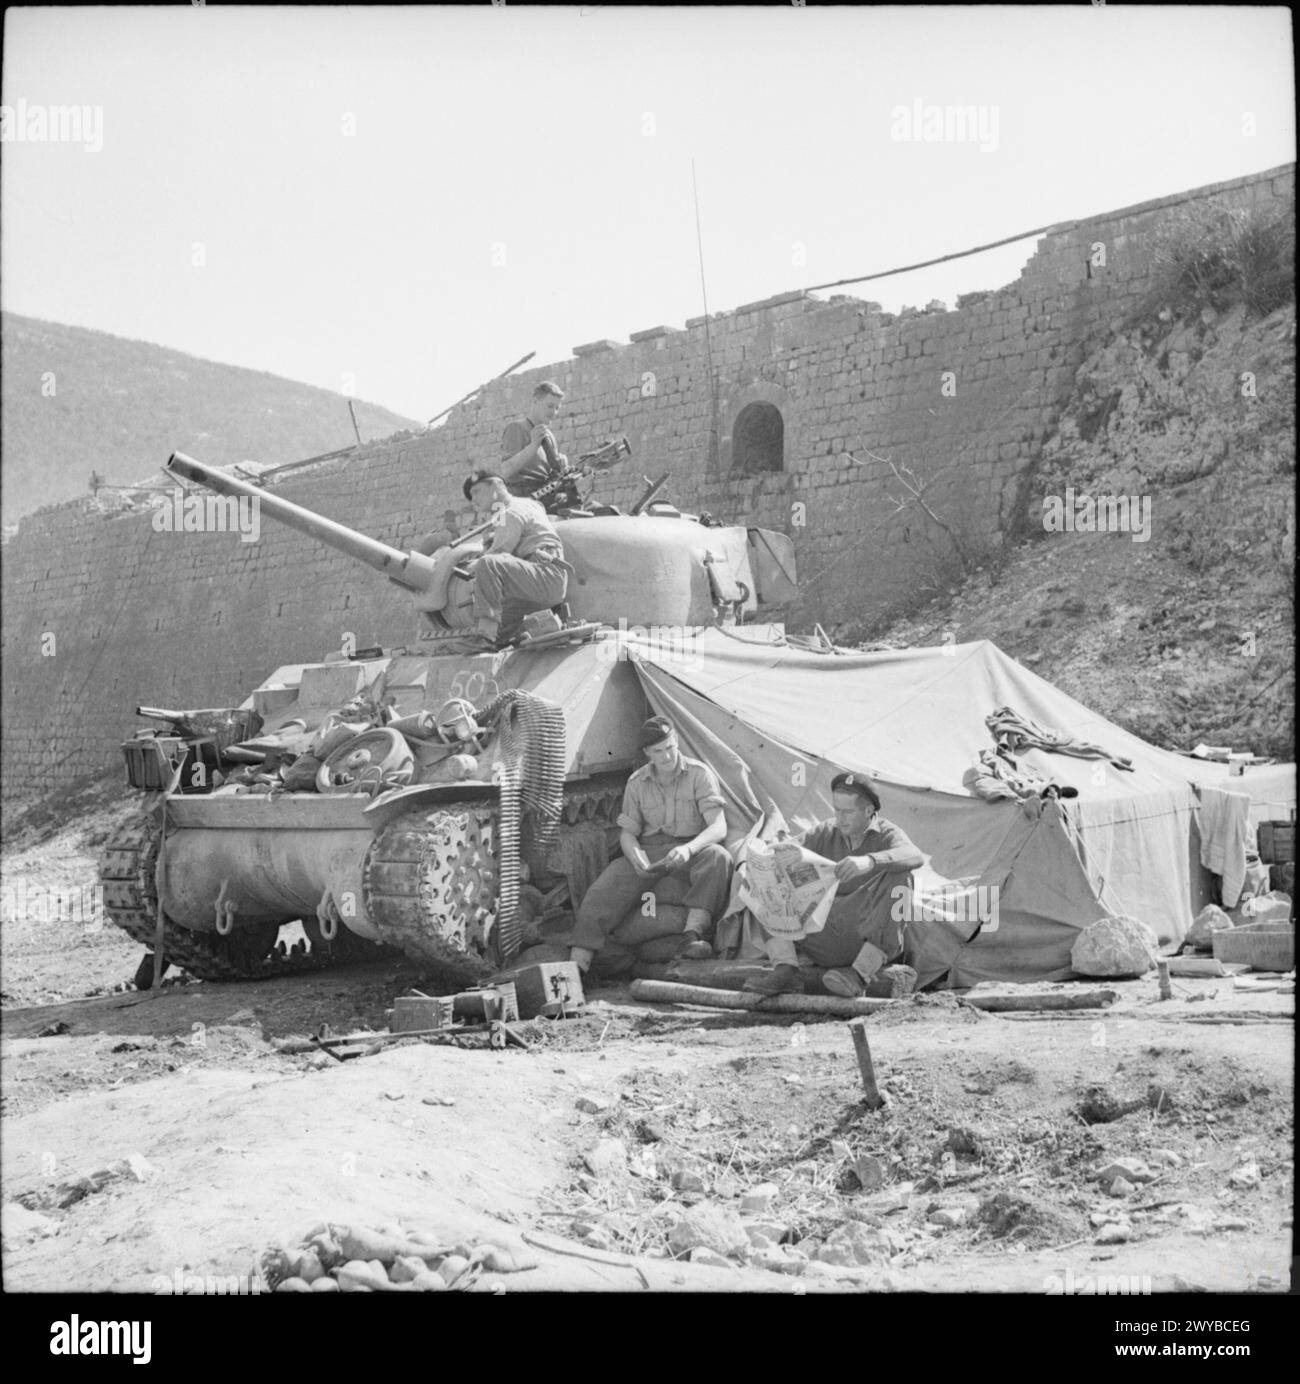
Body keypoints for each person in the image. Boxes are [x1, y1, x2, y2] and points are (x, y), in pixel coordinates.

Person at [567, 716, 733, 978]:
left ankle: (693, 935)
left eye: (670, 747)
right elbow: (628, 834)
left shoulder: (699, 774)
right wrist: (635, 857)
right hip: (650, 851)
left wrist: (689, 849)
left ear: (676, 741)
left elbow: (718, 827)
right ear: (647, 753)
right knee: (605, 886)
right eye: (658, 751)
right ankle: (578, 964)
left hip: (690, 850)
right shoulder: (636, 782)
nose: (667, 756)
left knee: (719, 857)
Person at [744, 773, 924, 997]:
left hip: (862, 938)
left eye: (847, 812)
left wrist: (870, 861)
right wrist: (769, 853)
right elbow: (790, 847)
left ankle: (859, 974)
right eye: (836, 810)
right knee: (768, 879)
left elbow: (915, 855)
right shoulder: (826, 831)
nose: (840, 818)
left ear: (869, 812)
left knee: (901, 879)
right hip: (822, 936)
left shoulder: (887, 833)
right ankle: (785, 969)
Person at [457, 470, 569, 650]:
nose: (474, 500)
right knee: (501, 622)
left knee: (489, 563)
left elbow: (499, 553)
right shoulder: (529, 504)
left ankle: (486, 635)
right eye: (471, 496)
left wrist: (467, 568)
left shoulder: (509, 512)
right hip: (537, 580)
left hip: (545, 575)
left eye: (477, 491)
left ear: (495, 485)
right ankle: (506, 636)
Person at [500, 381, 569, 499]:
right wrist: (533, 447)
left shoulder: (550, 436)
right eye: (550, 406)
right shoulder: (517, 428)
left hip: (547, 493)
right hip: (524, 496)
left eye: (557, 408)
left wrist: (562, 466)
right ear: (535, 402)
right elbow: (506, 470)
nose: (554, 412)